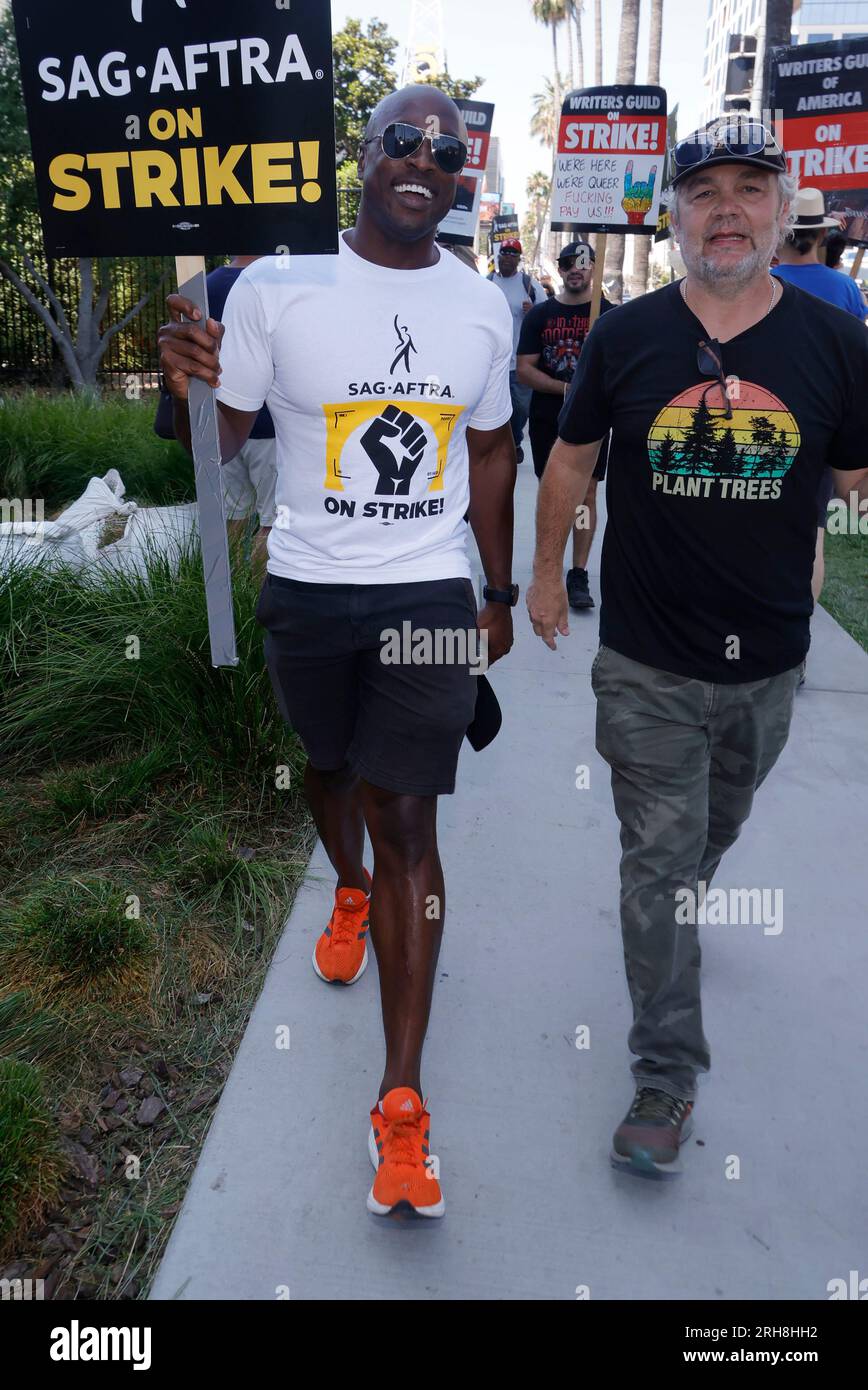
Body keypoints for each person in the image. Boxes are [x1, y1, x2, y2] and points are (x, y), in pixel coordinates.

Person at [158, 85, 518, 1219]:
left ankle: (400, 1103)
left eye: (446, 151)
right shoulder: (277, 284)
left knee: (408, 811)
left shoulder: (483, 307)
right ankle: (349, 889)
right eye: (401, 142)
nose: (423, 160)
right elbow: (213, 445)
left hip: (424, 590)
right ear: (359, 157)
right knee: (330, 773)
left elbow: (498, 449)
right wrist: (183, 388)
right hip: (307, 588)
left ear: (465, 175)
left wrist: (497, 589)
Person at [527, 117, 868, 1179]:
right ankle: (664, 1075)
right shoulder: (626, 336)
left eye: (748, 189)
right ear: (671, 215)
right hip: (646, 658)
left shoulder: (836, 348)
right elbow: (571, 464)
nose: (726, 209)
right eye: (703, 191)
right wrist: (544, 574)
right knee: (661, 856)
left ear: (784, 205)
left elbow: (857, 488)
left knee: (715, 827)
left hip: (769, 658)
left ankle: (676, 908)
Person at [154, 255, 277, 578]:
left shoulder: (204, 288)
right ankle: (254, 600)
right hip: (270, 428)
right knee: (272, 523)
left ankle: (226, 588)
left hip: (220, 424)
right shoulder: (277, 283)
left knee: (232, 517)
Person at [773, 188, 867, 608]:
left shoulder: (764, 284)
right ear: (822, 237)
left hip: (767, 417)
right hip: (827, 421)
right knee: (813, 536)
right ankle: (799, 637)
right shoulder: (846, 291)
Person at [517, 241, 612, 610]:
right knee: (554, 492)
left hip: (593, 420)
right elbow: (525, 369)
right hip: (548, 418)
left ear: (593, 269)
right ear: (560, 269)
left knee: (586, 494)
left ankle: (578, 572)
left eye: (585, 263)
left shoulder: (609, 316)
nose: (578, 269)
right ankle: (550, 563)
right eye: (570, 263)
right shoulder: (540, 316)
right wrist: (567, 387)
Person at [488, 239, 546, 463]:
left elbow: (545, 313)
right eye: (504, 253)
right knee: (493, 406)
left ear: (518, 259)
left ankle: (515, 439)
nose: (508, 257)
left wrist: (533, 311)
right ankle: (503, 445)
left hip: (520, 360)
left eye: (513, 254)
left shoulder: (528, 284)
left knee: (521, 408)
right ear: (498, 256)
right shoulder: (488, 282)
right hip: (493, 360)